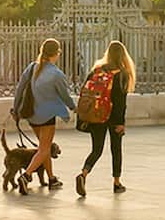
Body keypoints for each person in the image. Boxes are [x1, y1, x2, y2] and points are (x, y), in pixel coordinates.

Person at [75, 40, 134, 197]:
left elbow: (86, 92)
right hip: (114, 117)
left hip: (96, 114)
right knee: (116, 149)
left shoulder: (97, 70)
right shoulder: (122, 74)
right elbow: (121, 102)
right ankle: (116, 182)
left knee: (97, 149)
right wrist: (121, 123)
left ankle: (83, 174)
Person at [18, 39, 77, 188]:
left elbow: (20, 88)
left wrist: (15, 108)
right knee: (45, 149)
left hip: (31, 114)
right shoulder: (56, 74)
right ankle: (26, 176)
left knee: (43, 148)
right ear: (57, 53)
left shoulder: (32, 67)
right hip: (47, 116)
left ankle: (51, 178)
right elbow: (65, 95)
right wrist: (73, 107)